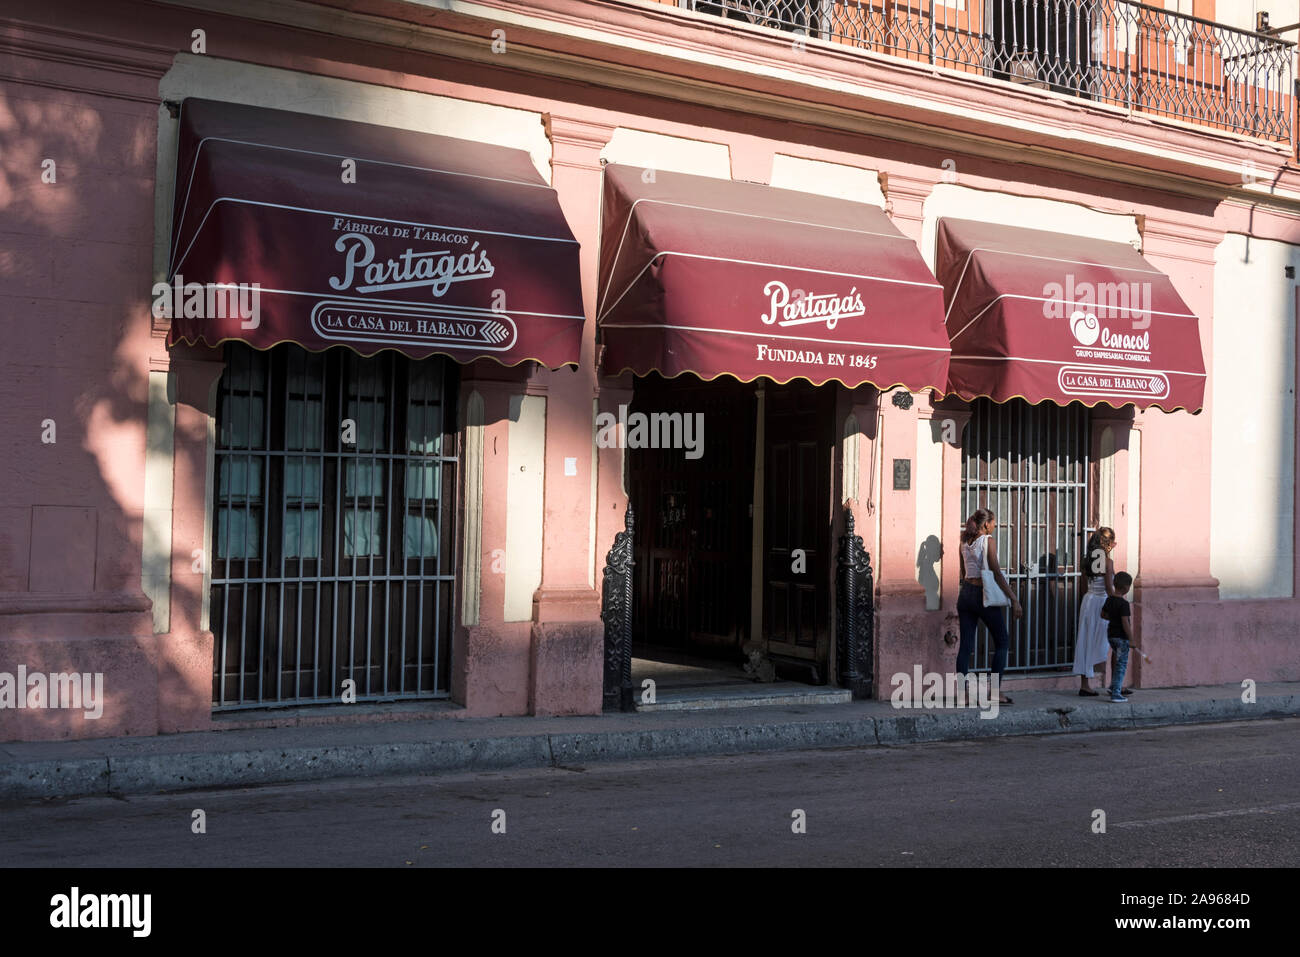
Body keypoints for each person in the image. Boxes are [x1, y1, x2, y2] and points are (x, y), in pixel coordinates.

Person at [957, 508, 1022, 705]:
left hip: (965, 594)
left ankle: (963, 695)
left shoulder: (963, 542)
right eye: (994, 522)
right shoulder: (988, 541)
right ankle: (995, 693)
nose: (995, 525)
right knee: (1002, 642)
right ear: (986, 524)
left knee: (966, 646)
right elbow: (996, 572)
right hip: (982, 595)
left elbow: (963, 572)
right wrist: (1014, 599)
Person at [1072, 527, 1116, 696]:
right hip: (1102, 602)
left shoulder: (1086, 560)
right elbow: (1109, 588)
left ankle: (1085, 684)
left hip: (1088, 601)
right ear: (1108, 543)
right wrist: (1117, 603)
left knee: (1085, 641)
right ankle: (1115, 684)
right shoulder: (1107, 561)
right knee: (1114, 641)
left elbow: (1084, 586)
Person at [1101, 572, 1141, 702]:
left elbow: (1103, 615)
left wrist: (1113, 617)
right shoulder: (1124, 604)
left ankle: (1113, 687)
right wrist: (1131, 639)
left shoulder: (1109, 600)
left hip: (1111, 635)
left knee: (1118, 661)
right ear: (1126, 588)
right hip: (1121, 637)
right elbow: (1125, 622)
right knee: (1121, 664)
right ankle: (1116, 693)